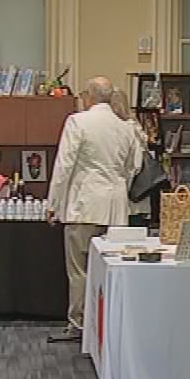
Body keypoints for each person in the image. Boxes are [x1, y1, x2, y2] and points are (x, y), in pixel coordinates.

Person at [46, 76, 142, 344]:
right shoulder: (127, 126)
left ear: (88, 96)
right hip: (117, 208)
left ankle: (78, 325)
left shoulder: (78, 122)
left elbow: (64, 166)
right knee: (113, 268)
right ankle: (109, 324)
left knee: (80, 271)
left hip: (84, 205)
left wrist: (53, 203)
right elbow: (133, 167)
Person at [108, 91, 153, 229]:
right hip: (140, 193)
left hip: (129, 194)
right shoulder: (135, 125)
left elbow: (133, 164)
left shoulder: (125, 128)